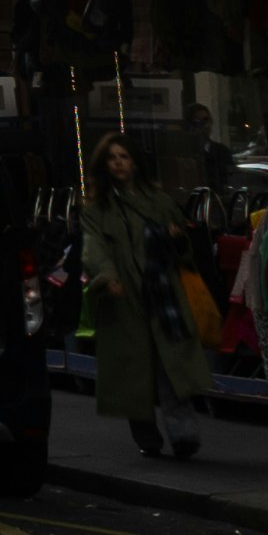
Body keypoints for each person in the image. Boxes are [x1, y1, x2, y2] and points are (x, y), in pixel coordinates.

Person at [78, 130, 202, 465]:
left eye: (124, 156)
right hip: (125, 298)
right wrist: (108, 276)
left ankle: (183, 434)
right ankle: (146, 436)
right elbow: (93, 248)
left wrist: (177, 239)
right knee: (135, 371)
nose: (119, 163)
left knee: (171, 365)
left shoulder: (159, 202)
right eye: (112, 158)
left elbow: (184, 247)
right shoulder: (98, 208)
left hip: (163, 292)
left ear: (135, 162)